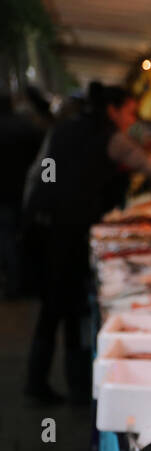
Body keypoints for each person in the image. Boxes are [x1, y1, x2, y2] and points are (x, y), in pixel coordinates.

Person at [22, 82, 151, 405]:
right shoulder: (110, 138)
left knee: (55, 305)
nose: (133, 119)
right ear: (113, 110)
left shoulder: (64, 129)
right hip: (70, 228)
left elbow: (36, 172)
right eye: (131, 112)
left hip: (46, 224)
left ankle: (50, 383)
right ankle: (69, 388)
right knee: (68, 306)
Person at [0, 93, 46, 298]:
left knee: (7, 237)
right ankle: (26, 281)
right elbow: (48, 159)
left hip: (4, 194)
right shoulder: (28, 127)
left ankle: (15, 284)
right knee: (22, 236)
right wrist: (48, 184)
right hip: (27, 193)